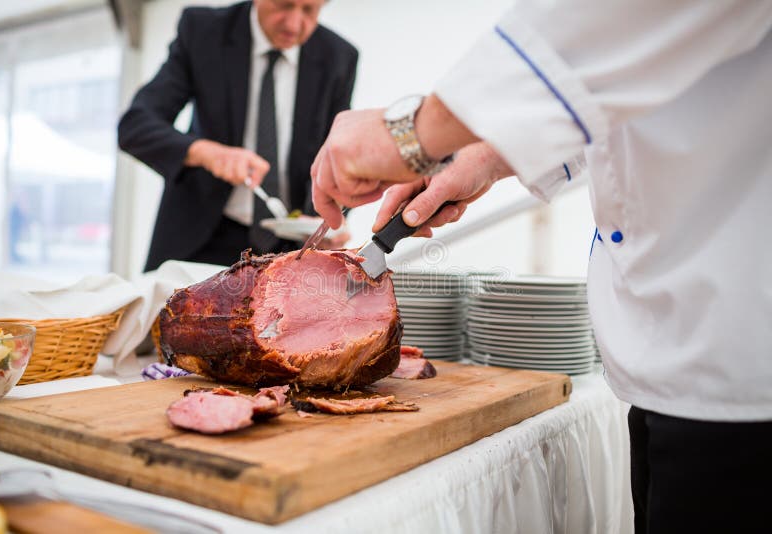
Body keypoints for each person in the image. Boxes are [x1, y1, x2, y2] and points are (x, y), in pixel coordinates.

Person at [310, 2, 772, 533]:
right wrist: (484, 157)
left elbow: (628, 23)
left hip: (743, 377)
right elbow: (639, 86)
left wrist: (413, 133)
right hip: (676, 375)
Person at [118, 0, 357, 271]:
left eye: (309, 10)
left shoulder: (339, 57)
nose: (293, 24)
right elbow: (135, 125)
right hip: (199, 242)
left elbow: (334, 156)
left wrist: (328, 221)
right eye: (283, 5)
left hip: (290, 251)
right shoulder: (203, 31)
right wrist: (206, 153)